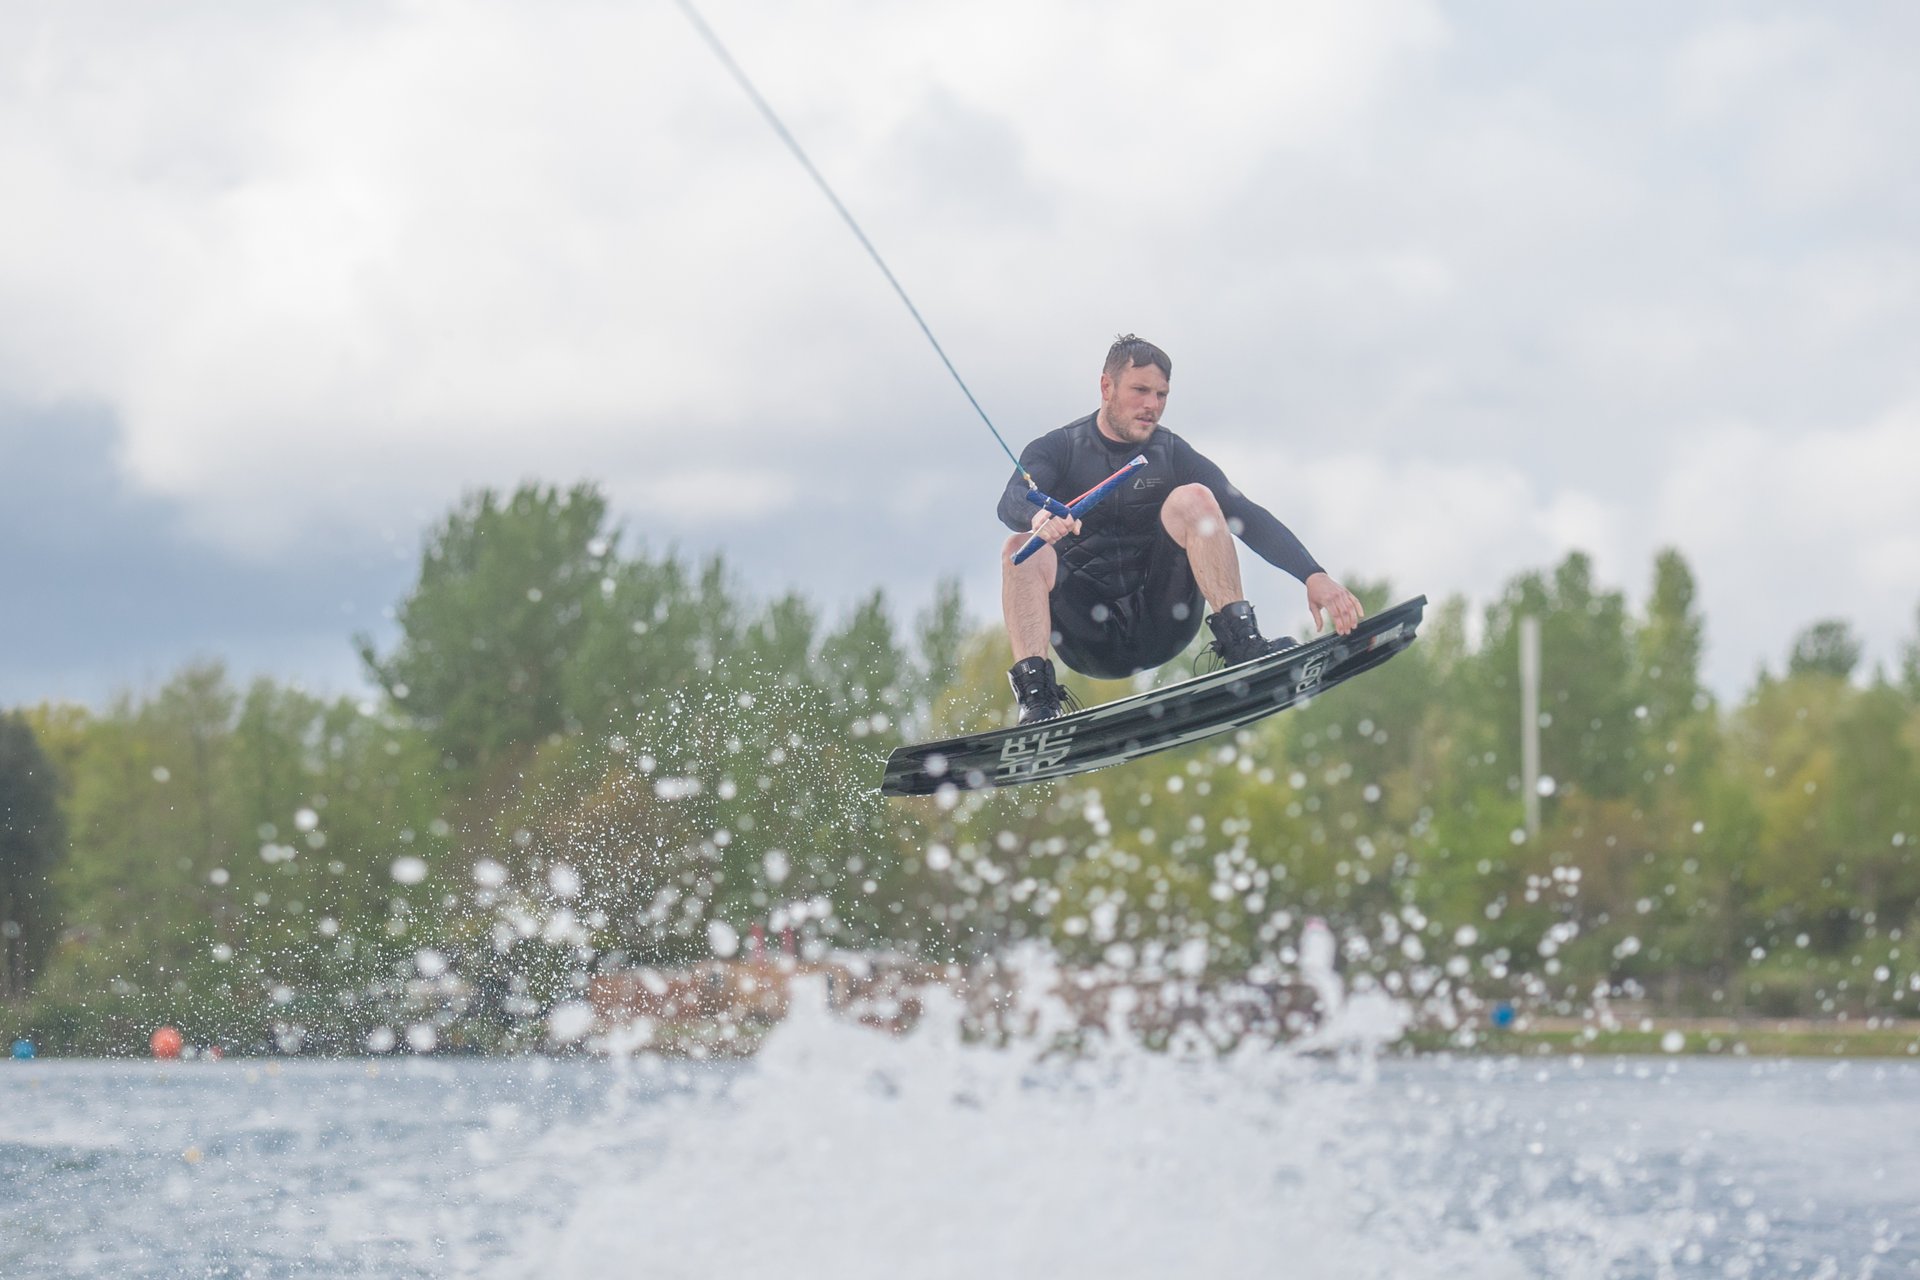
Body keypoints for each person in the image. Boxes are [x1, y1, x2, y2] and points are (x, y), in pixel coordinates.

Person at [998, 334, 1363, 723]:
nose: (1152, 405)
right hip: (1088, 637)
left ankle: (1243, 644)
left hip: (1163, 620)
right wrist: (1038, 518)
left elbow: (1245, 514)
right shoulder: (1059, 448)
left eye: (1161, 395)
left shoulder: (1171, 453)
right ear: (1106, 386)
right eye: (1140, 390)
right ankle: (1037, 702)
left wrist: (1313, 574)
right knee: (1020, 548)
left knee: (1195, 498)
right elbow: (1010, 501)